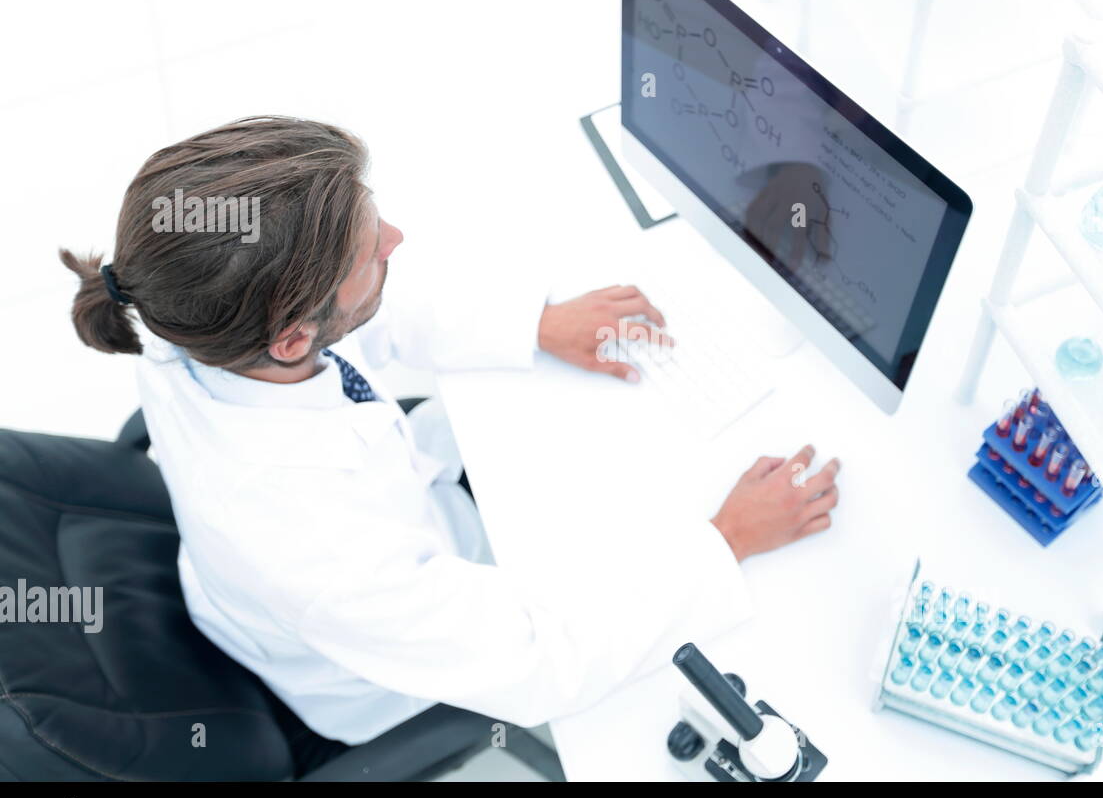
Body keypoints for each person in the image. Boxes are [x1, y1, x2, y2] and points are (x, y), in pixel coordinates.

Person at [59, 116, 840, 745]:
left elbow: (365, 319)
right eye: (370, 253)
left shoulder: (178, 305)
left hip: (391, 515)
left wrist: (534, 323)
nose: (396, 239)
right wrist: (726, 543)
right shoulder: (314, 549)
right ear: (293, 338)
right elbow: (539, 666)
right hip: (374, 664)